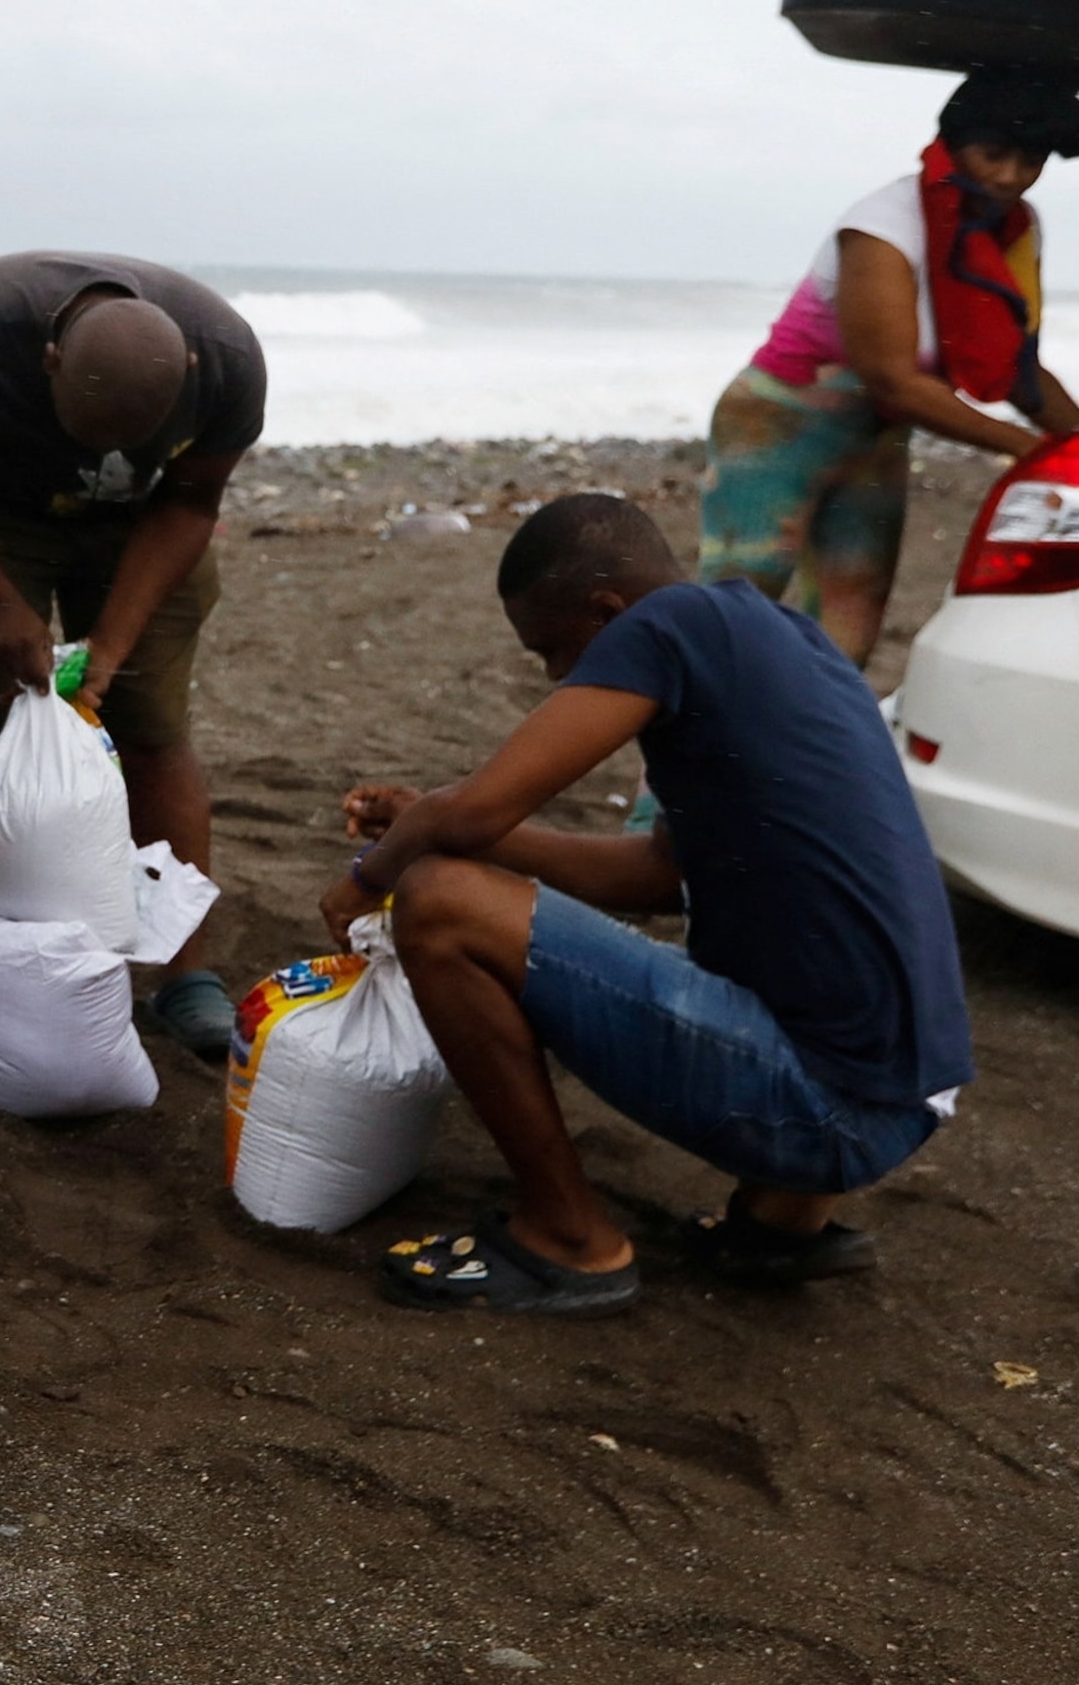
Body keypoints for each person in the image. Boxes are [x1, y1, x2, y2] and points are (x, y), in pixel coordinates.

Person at [317, 494, 970, 1317]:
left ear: (607, 611)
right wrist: (432, 818)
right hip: (900, 1089)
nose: (560, 678)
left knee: (438, 901)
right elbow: (659, 878)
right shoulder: (777, 635)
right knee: (466, 874)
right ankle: (780, 1224)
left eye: (553, 650)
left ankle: (567, 1238)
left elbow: (476, 809)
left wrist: (371, 873)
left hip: (827, 1106)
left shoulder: (666, 630)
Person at [0, 251, 268, 1058]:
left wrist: (110, 650)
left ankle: (181, 971)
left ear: (187, 372)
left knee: (151, 725)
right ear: (49, 361)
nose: (107, 455)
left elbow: (192, 500)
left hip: (147, 524)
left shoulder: (229, 364)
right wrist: (2, 602)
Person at [703, 71, 1079, 666]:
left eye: (1031, 160)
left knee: (847, 632)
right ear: (954, 146)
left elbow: (1020, 367)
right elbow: (892, 380)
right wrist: (1033, 451)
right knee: (734, 612)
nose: (1009, 177)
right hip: (776, 429)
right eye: (993, 154)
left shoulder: (1017, 226)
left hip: (875, 439)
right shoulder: (882, 226)